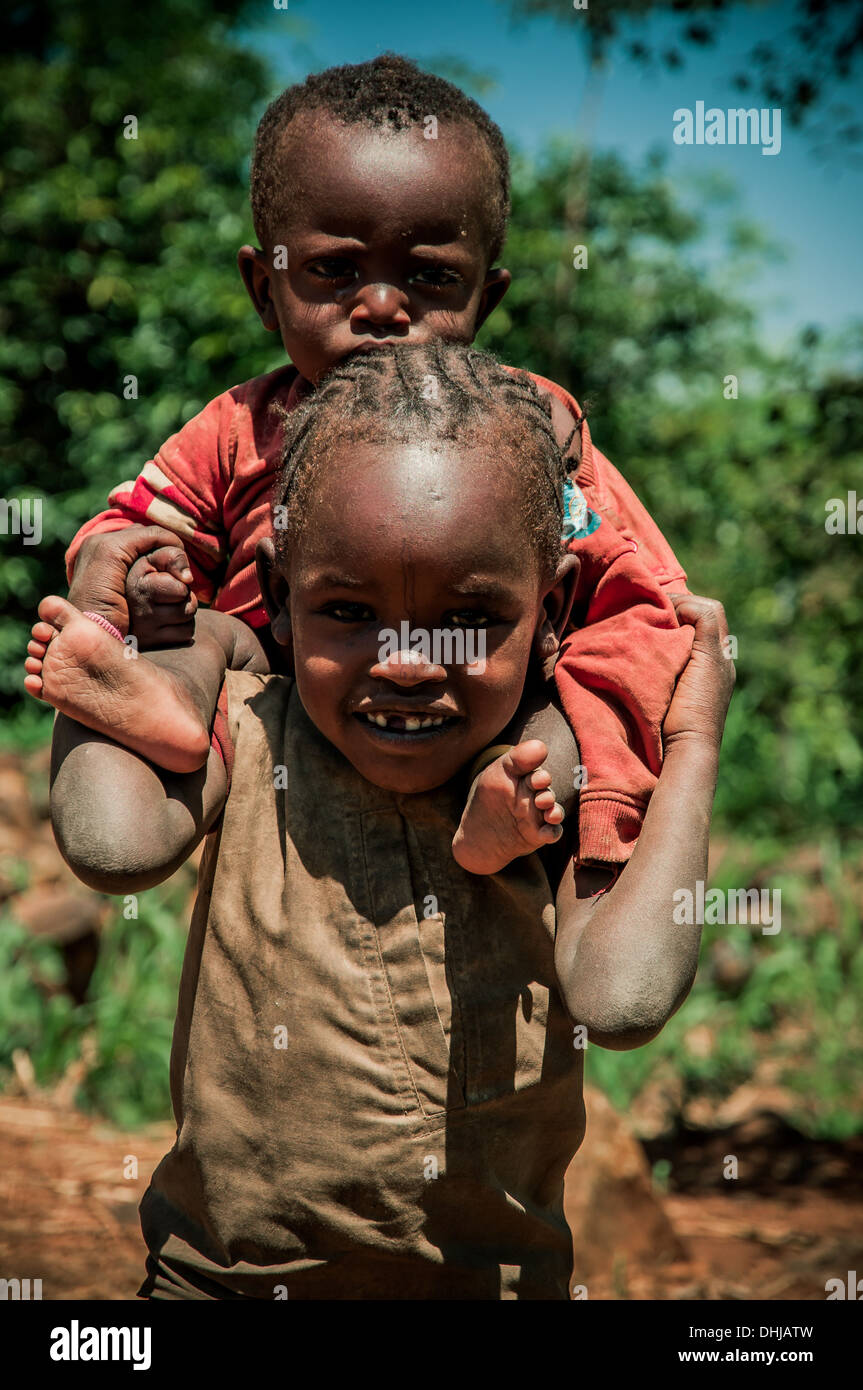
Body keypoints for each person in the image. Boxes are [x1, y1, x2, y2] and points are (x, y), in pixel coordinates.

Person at [33, 344, 735, 1300]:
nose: (406, 659)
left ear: (554, 604)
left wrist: (689, 744)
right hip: (214, 1283)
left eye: (470, 617)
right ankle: (156, 664)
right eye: (351, 610)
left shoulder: (546, 779)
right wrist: (105, 652)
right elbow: (112, 846)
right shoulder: (252, 725)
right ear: (279, 595)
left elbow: (621, 1001)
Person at [59, 54, 694, 876]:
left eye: (430, 278)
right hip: (282, 710)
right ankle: (148, 700)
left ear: (484, 301)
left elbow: (641, 591)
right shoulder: (236, 433)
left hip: (478, 714)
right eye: (334, 270)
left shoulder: (527, 428)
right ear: (265, 288)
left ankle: (526, 792)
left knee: (575, 690)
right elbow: (132, 528)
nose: (384, 308)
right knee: (206, 637)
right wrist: (133, 568)